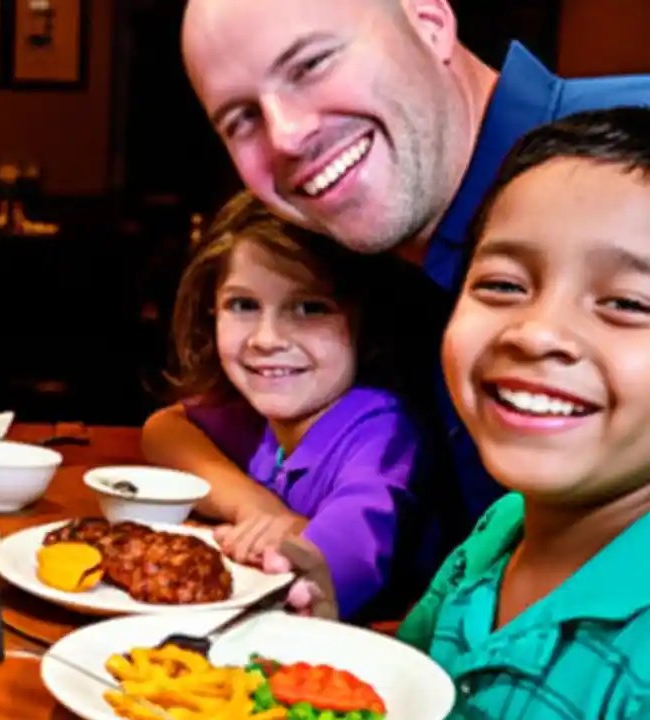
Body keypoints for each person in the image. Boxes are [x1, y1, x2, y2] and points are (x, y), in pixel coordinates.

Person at [179, 0, 650, 541]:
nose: (285, 136)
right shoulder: (362, 257)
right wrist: (265, 515)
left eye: (312, 65)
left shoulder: (632, 157)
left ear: (430, 22)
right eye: (242, 120)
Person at [275, 107, 650, 718]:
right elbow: (417, 685)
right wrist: (329, 643)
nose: (535, 333)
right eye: (503, 285)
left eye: (628, 303)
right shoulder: (497, 532)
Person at [143, 190, 431, 620]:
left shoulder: (382, 428)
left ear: (367, 321)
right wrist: (255, 507)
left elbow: (358, 529)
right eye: (243, 305)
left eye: (309, 308)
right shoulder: (266, 415)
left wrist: (305, 547)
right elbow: (164, 430)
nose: (266, 338)